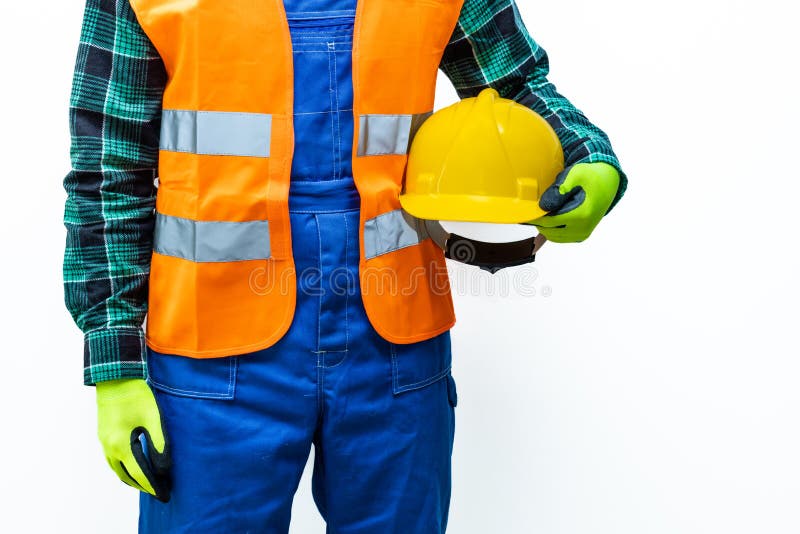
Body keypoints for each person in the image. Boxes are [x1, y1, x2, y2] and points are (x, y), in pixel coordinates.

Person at [63, 0, 626, 531]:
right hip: (210, 357)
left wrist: (588, 157)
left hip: (396, 352)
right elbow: (108, 166)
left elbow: (516, 87)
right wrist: (114, 366)